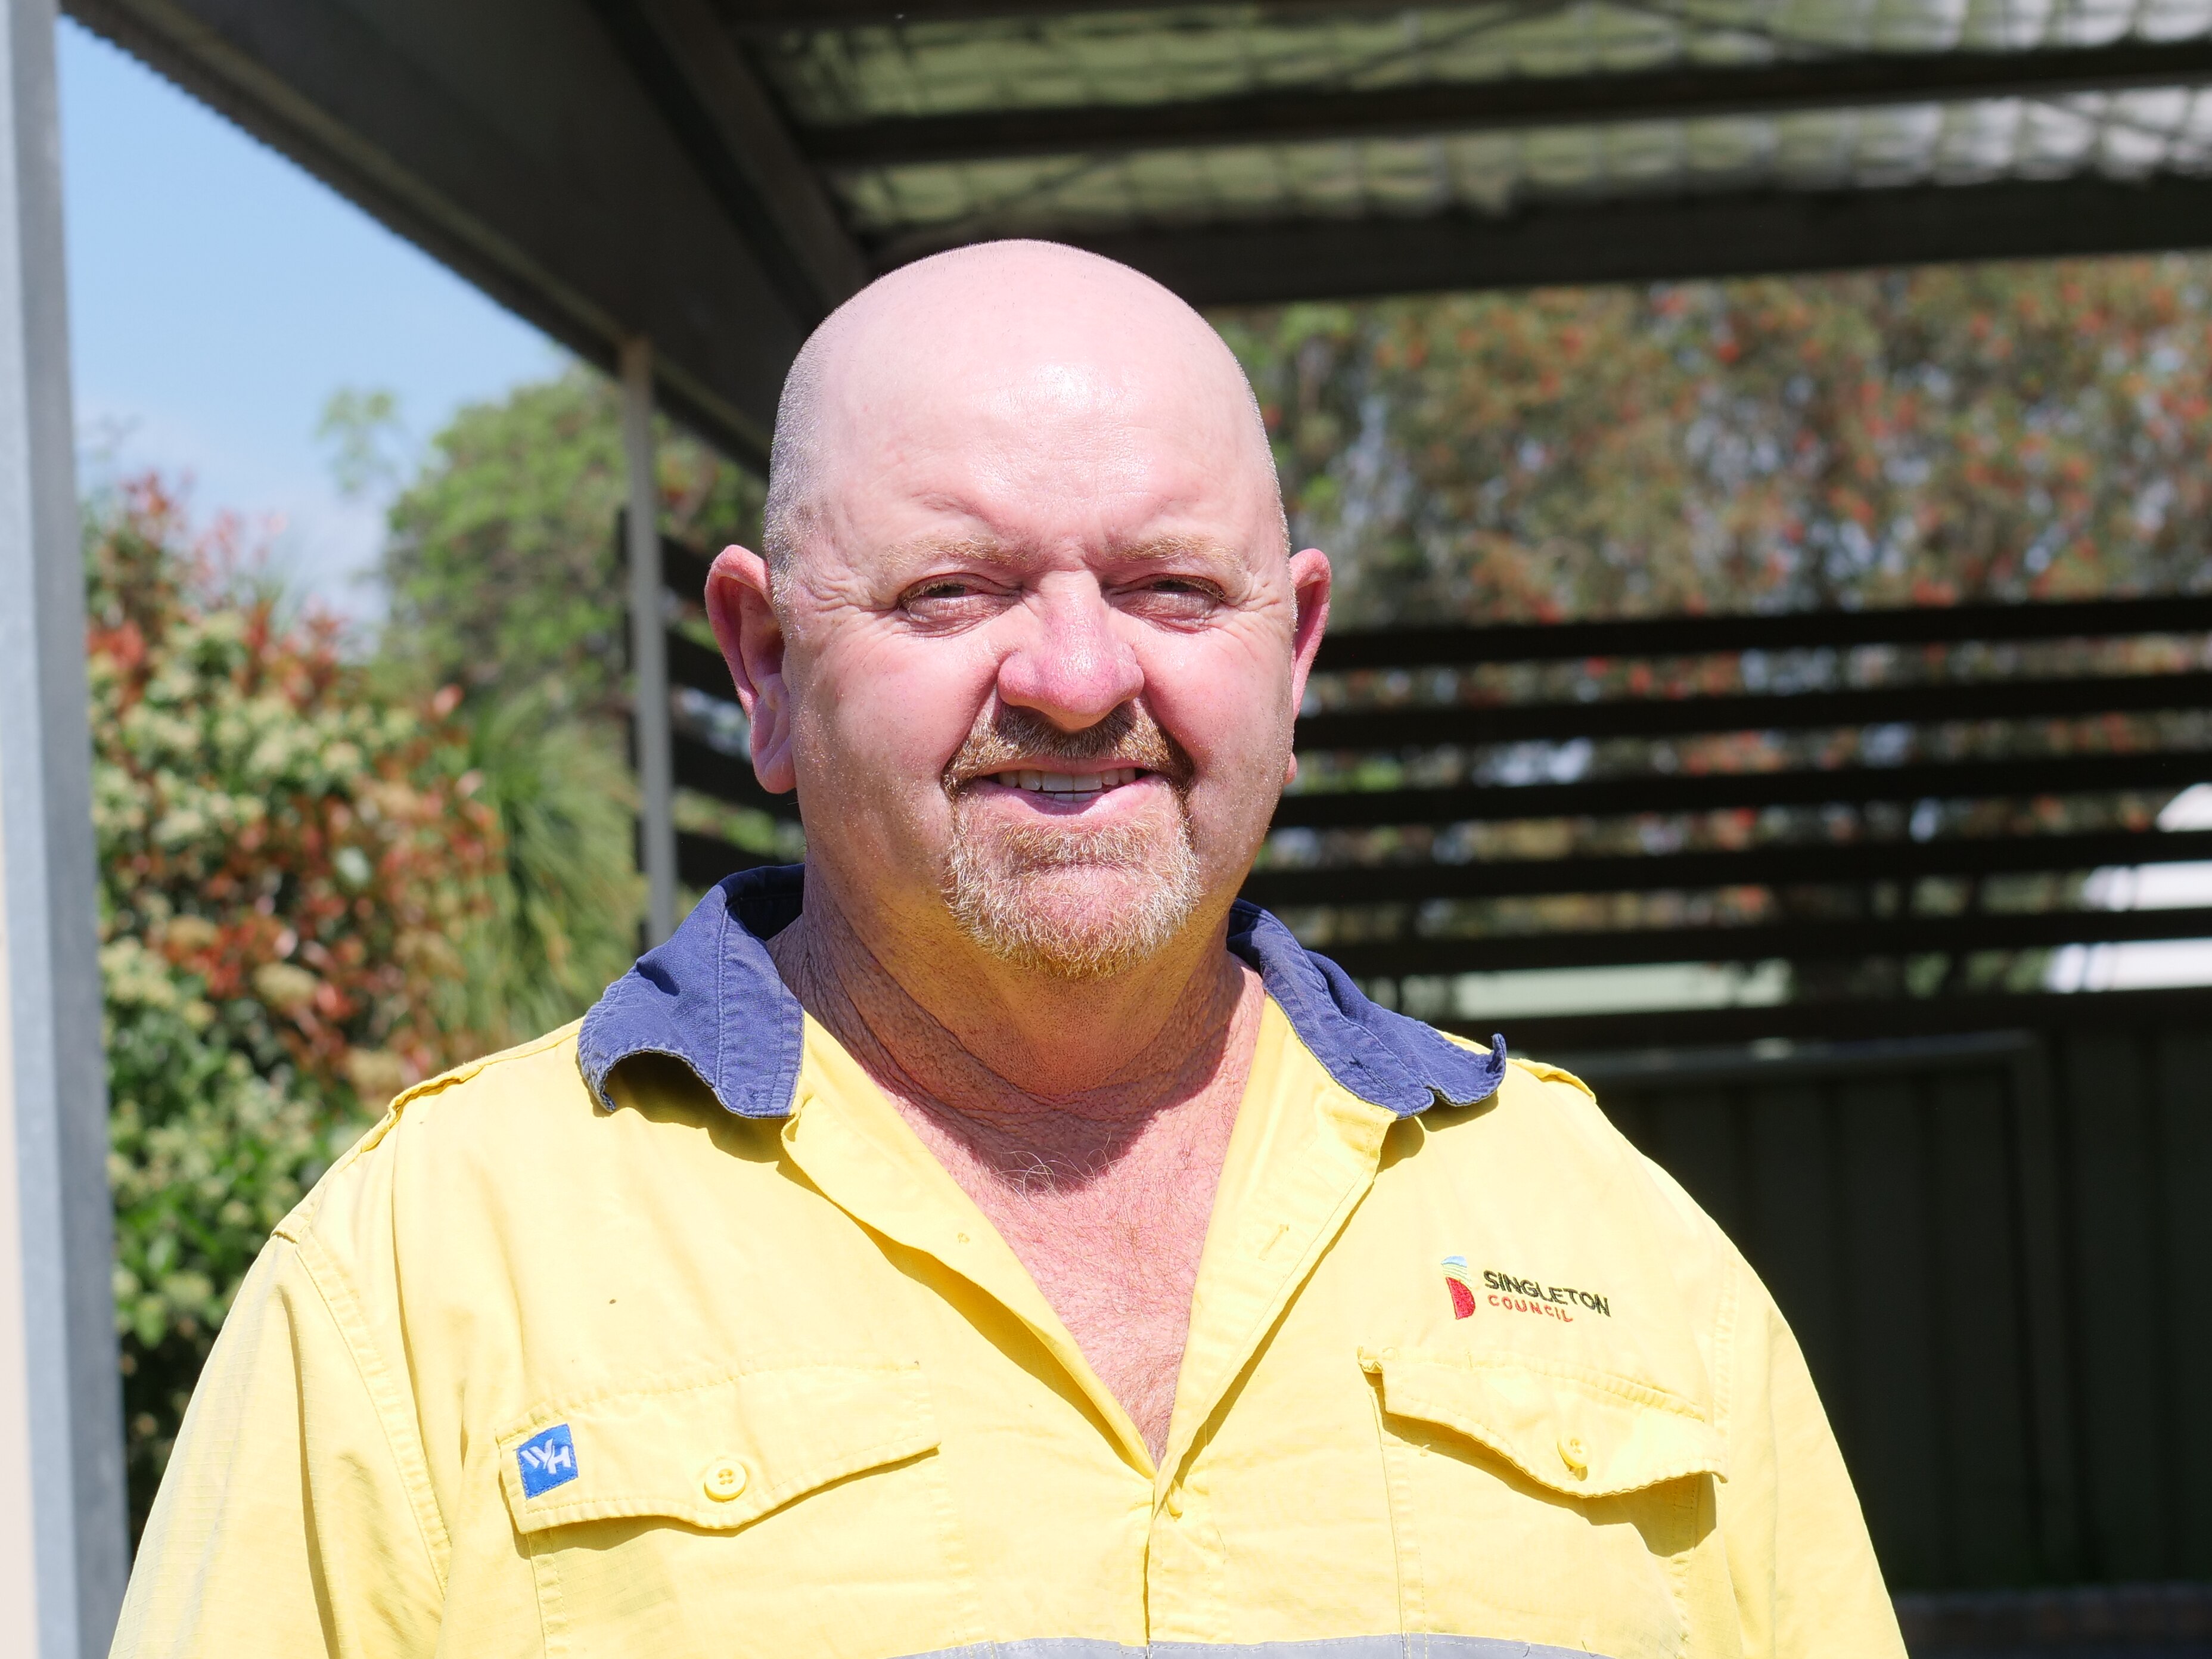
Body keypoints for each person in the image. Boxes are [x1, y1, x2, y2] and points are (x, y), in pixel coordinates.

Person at [113, 241, 1906, 1659]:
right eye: (951, 593)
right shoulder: (426, 1280)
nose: (1070, 678)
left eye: (1172, 590)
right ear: (762, 664)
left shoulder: (1613, 1244)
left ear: (1291, 655)